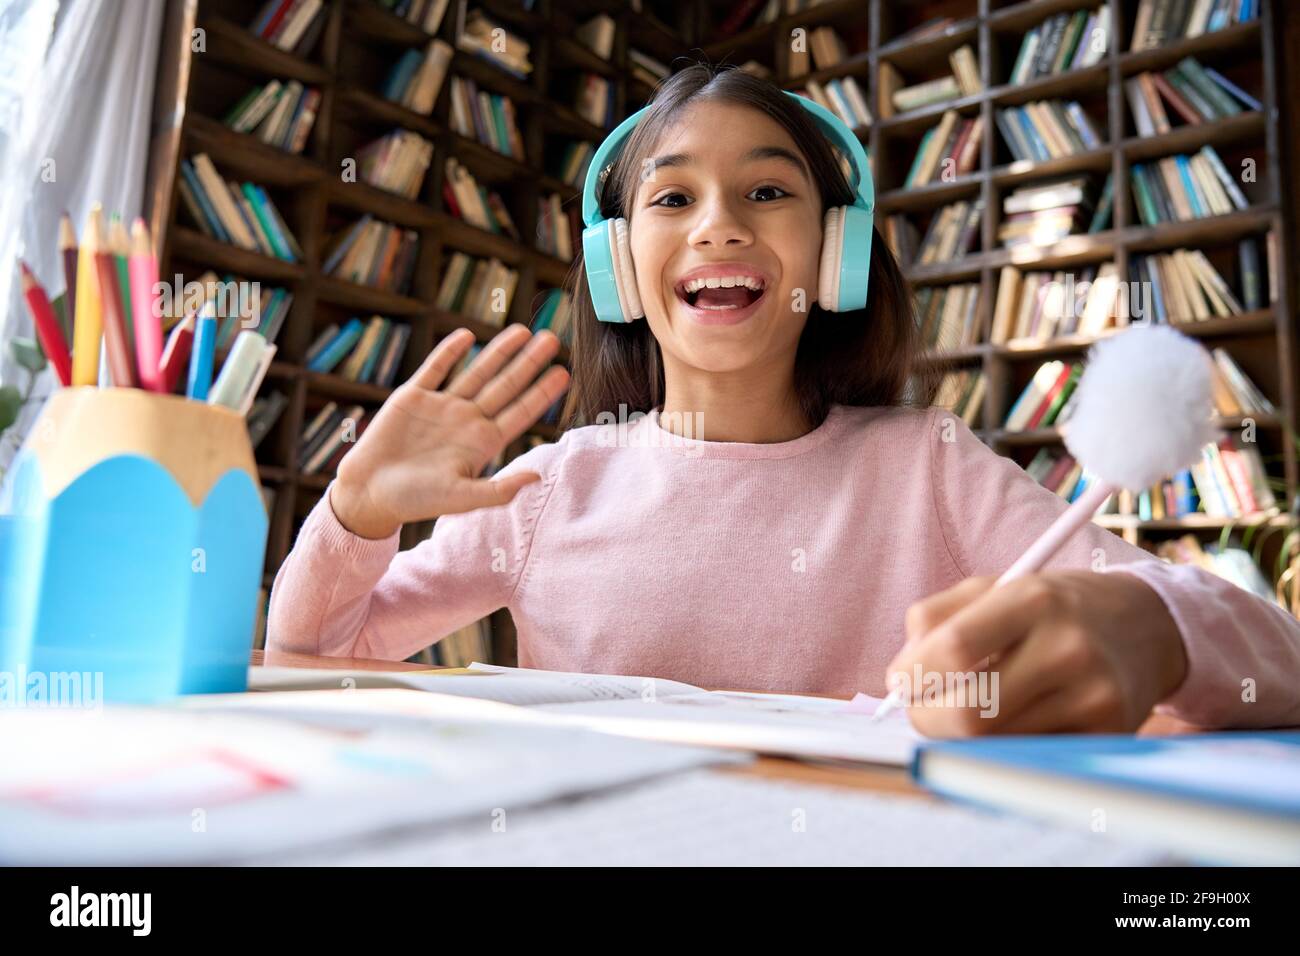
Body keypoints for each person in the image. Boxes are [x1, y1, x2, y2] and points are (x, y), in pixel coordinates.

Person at [267, 63, 1300, 735]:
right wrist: (355, 517)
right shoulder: (548, 485)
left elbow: (1273, 655)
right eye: (672, 197)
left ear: (836, 253)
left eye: (767, 191)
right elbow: (314, 660)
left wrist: (1149, 625)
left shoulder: (927, 466)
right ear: (619, 269)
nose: (718, 224)